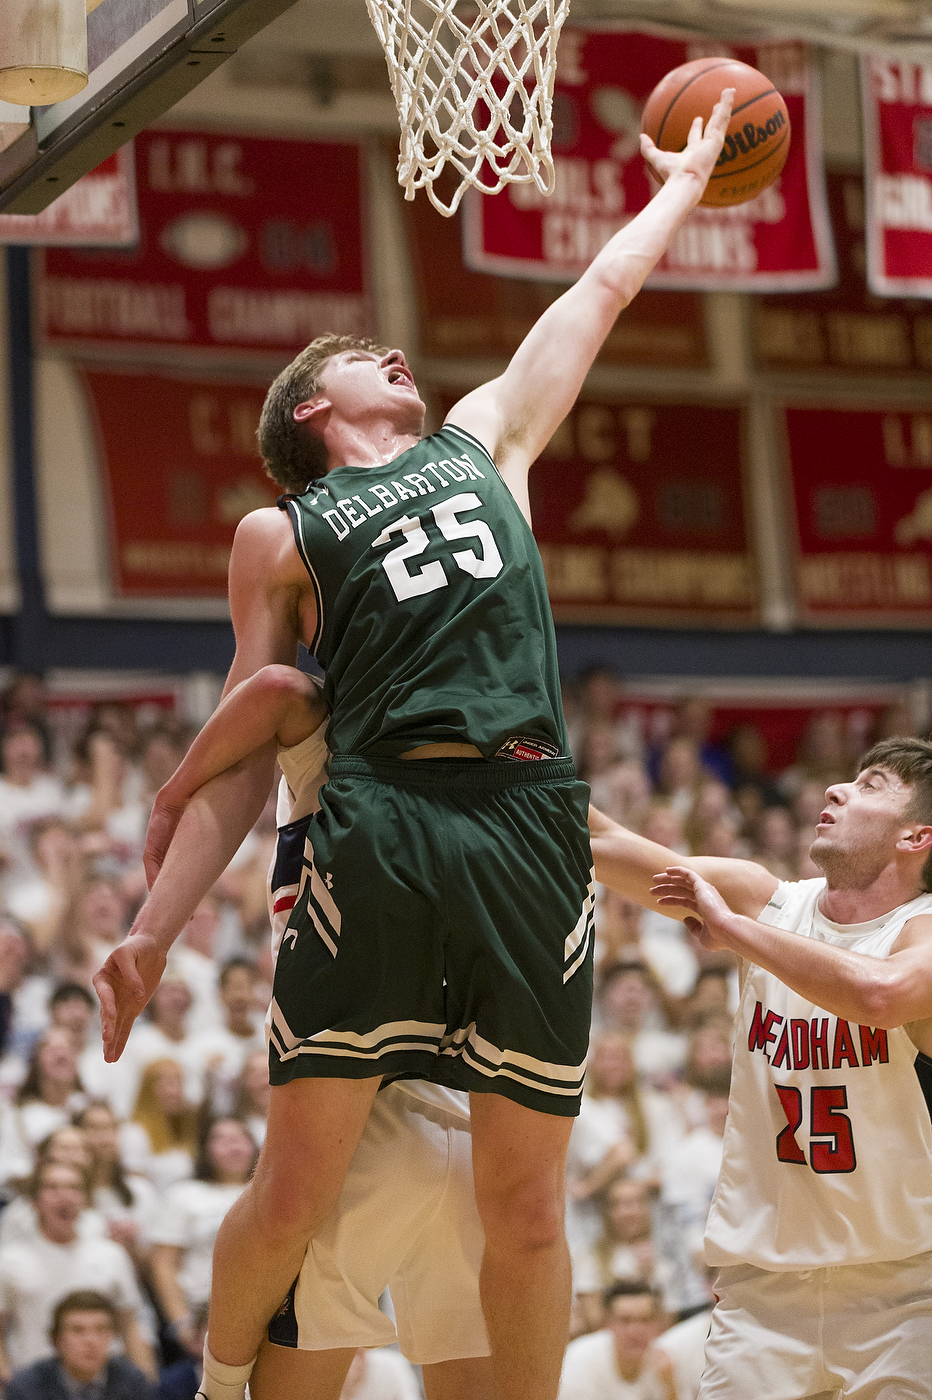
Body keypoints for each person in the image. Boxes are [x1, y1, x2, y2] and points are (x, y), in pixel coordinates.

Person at [95, 93, 735, 1400]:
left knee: (534, 1211)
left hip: (528, 822)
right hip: (382, 819)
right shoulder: (284, 529)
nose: (395, 352)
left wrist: (685, 186)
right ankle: (221, 1386)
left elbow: (598, 295)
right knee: (293, 1190)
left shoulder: (483, 443)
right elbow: (250, 746)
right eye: (359, 355)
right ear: (308, 414)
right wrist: (152, 933)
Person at [589, 736, 932, 1398]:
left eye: (872, 785)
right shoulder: (766, 900)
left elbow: (880, 996)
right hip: (763, 1290)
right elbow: (606, 846)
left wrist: (732, 930)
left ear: (917, 836)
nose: (837, 790)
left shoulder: (922, 930)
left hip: (904, 1287)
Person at [0, 1160, 155, 1381]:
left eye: (74, 1188)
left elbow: (130, 1324)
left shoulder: (111, 1255)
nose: (65, 1196)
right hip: (34, 1388)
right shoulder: (10, 1260)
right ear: (35, 1201)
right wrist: (8, 1384)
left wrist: (147, 1381)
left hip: (103, 1389)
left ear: (85, 1199)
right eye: (53, 1188)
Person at [3, 1289, 159, 1400]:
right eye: (78, 1331)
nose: (91, 1341)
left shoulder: (132, 1382)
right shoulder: (27, 1386)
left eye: (101, 1329)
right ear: (56, 1340)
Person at [558, 1280, 675, 1400]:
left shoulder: (665, 1362)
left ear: (659, 1324)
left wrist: (670, 1388)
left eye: (645, 1320)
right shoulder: (580, 1362)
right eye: (625, 1320)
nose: (635, 1330)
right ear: (607, 1323)